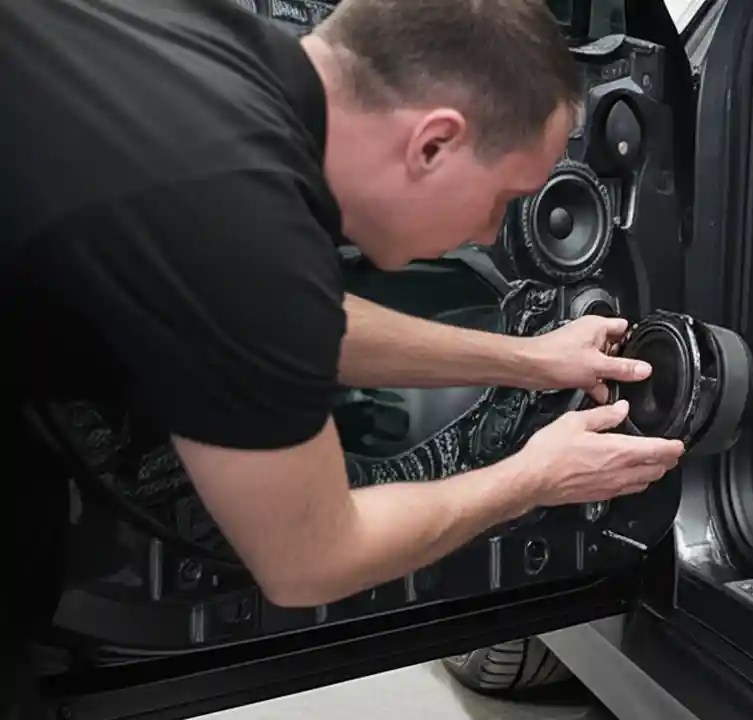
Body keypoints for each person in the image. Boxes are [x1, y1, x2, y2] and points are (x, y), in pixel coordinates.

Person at [0, 0, 686, 616]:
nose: (488, 234)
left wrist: (531, 360)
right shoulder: (235, 227)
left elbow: (293, 322)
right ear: (433, 143)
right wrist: (534, 477)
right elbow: (309, 563)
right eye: (503, 199)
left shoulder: (221, 48)